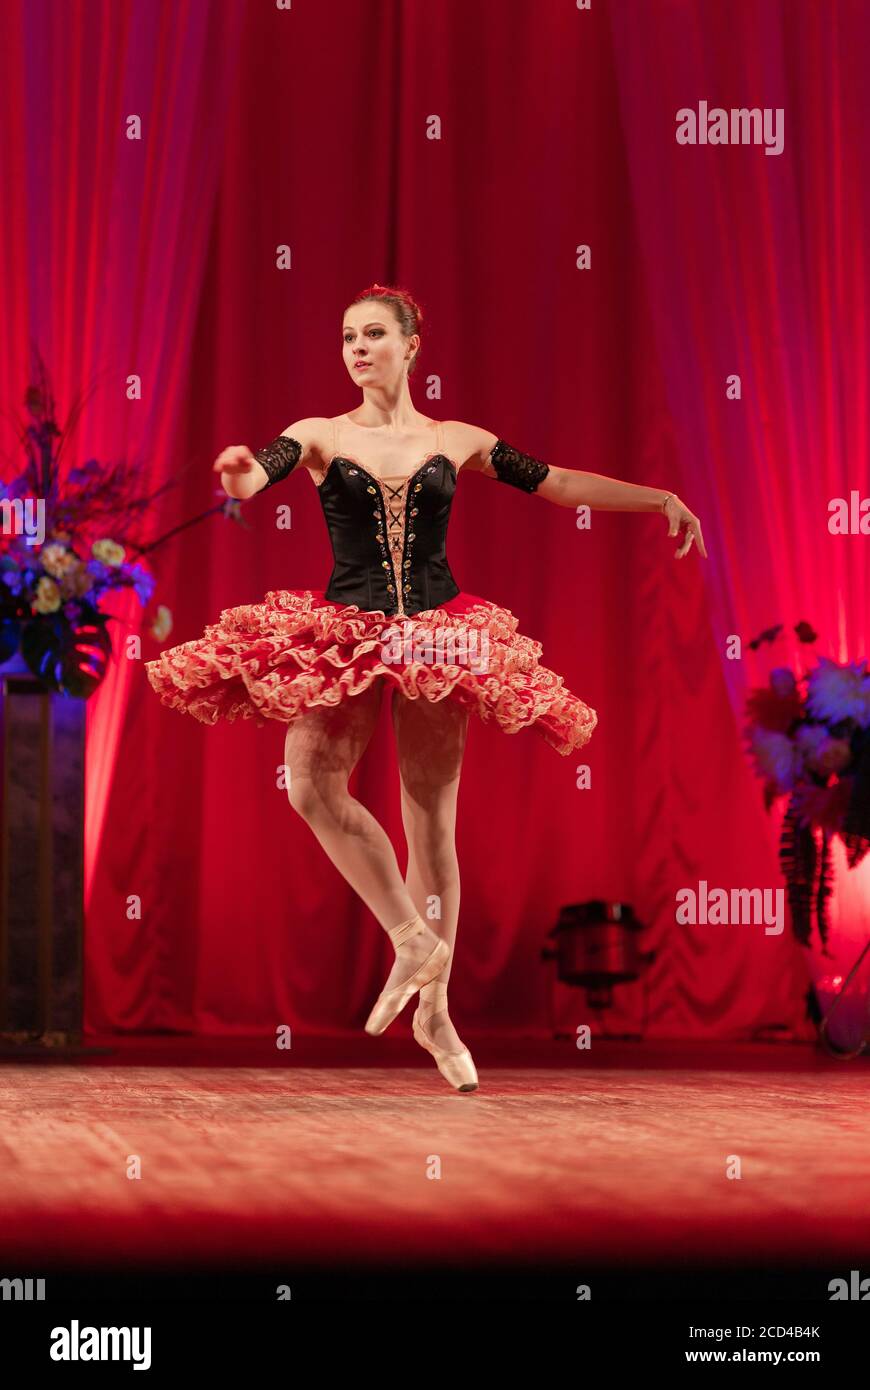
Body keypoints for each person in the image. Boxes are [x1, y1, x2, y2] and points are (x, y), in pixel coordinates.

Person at [145, 282, 707, 1092]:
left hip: (439, 633)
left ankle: (435, 1011)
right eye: (347, 337)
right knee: (309, 784)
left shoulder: (458, 438)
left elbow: (556, 482)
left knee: (432, 826)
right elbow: (252, 476)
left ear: (413, 345)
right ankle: (412, 939)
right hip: (347, 626)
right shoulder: (317, 434)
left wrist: (659, 499)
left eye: (374, 334)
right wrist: (237, 473)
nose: (358, 348)